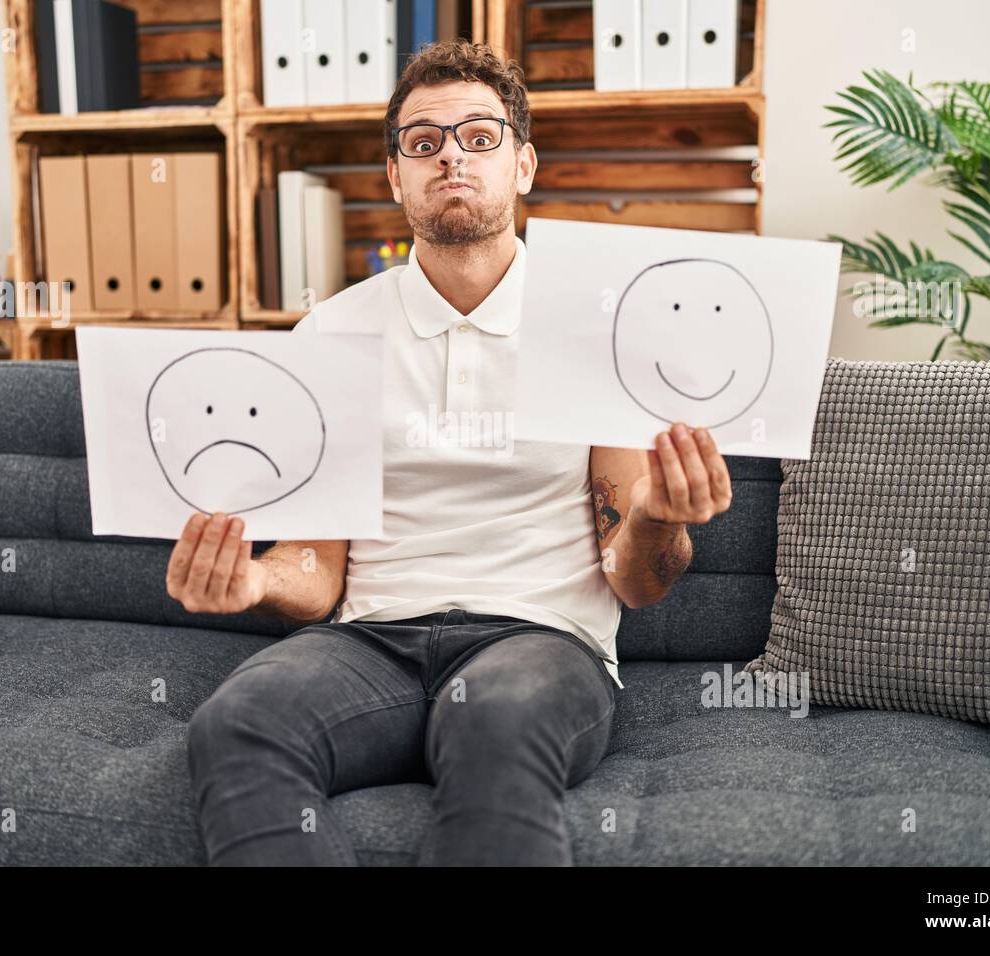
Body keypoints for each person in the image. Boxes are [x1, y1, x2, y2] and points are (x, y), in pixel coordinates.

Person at [172, 38, 733, 866]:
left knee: (494, 719)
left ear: (523, 163)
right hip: (373, 644)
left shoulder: (597, 330)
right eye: (423, 142)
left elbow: (637, 580)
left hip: (540, 642)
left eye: (479, 136)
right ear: (396, 175)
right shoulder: (332, 331)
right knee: (236, 723)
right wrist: (255, 578)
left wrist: (655, 517)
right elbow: (317, 572)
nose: (451, 159)